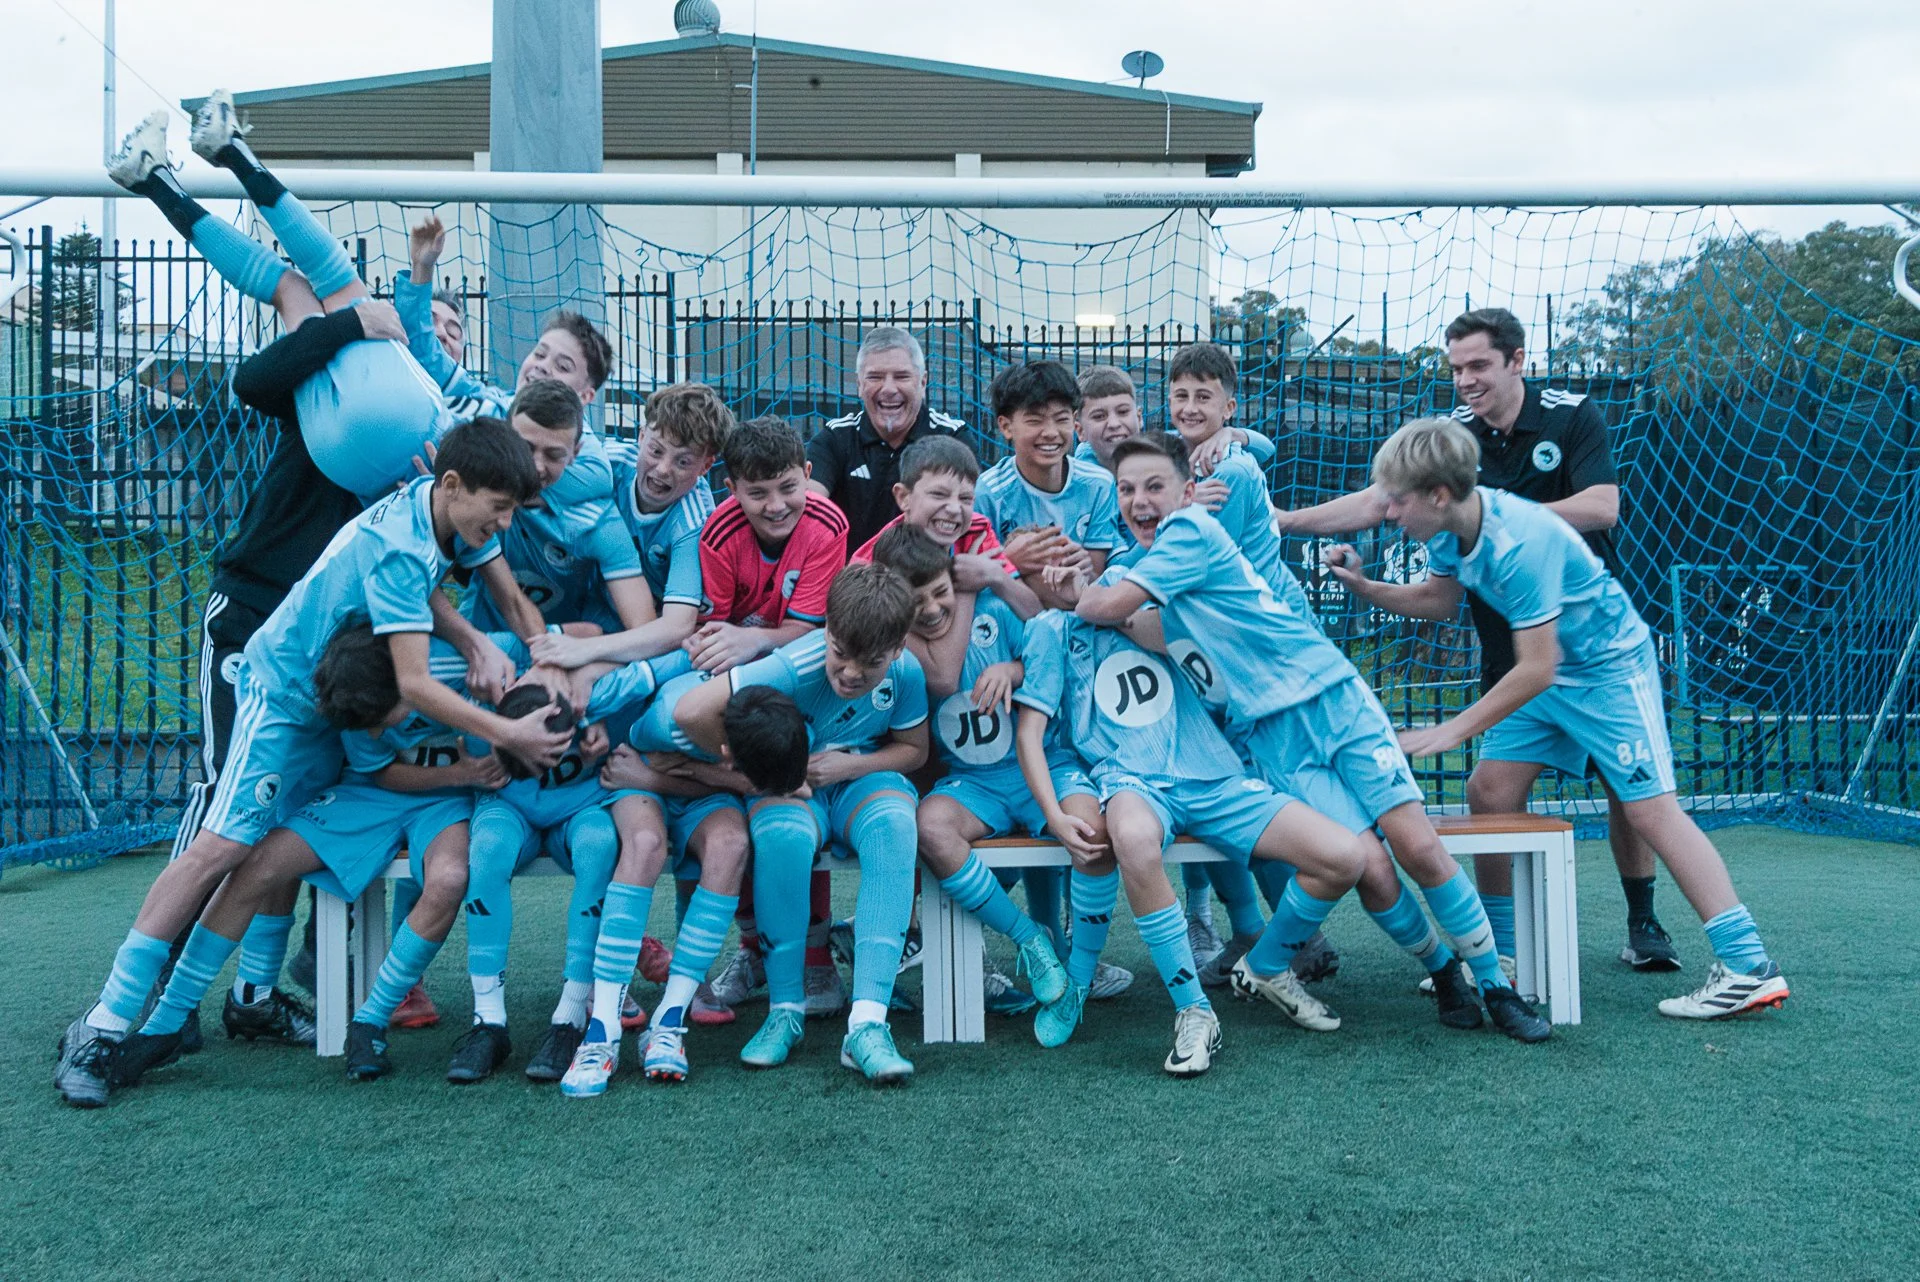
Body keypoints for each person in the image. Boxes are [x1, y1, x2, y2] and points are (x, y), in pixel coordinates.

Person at [54, 419, 574, 1107]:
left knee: (277, 847)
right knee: (222, 846)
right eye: (499, 509)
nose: (504, 525)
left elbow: (505, 596)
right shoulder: (397, 548)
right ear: (451, 486)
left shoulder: (447, 514)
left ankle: (248, 997)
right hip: (289, 699)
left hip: (349, 699)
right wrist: (511, 727)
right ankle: (106, 1021)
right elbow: (414, 684)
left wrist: (535, 658)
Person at [1074, 433, 1552, 1042]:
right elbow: (1138, 626)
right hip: (1273, 737)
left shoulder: (1188, 534)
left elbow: (1108, 605)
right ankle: (1443, 973)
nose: (1140, 501)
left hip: (1332, 700)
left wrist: (1075, 588)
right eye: (1127, 490)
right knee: (1372, 867)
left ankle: (1496, 987)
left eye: (1155, 487)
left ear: (1189, 493)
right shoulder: (1161, 575)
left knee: (1417, 846)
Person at [1324, 418, 1790, 1020]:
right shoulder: (1447, 528)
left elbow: (1537, 667)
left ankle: (1748, 966)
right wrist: (1365, 586)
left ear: (1438, 495)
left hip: (1607, 672)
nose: (1385, 511)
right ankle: (1501, 955)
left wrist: (1451, 730)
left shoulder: (1522, 541)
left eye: (1397, 499)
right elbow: (1439, 602)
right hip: (1548, 674)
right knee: (1488, 791)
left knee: (1650, 810)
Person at [1277, 308, 1673, 974]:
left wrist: (1493, 522)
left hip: (1592, 653)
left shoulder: (1572, 417)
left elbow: (1603, 506)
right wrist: (1284, 519)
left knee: (1630, 792)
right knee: (1489, 791)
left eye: (1478, 366)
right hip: (1513, 649)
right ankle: (1502, 950)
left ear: (1516, 361)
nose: (1465, 381)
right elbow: (1383, 505)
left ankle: (1645, 921)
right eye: (1456, 368)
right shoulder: (1449, 440)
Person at [1017, 566, 1367, 1076]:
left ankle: (1265, 964)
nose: (1066, 563)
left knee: (1345, 857)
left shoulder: (1150, 595)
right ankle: (1194, 1009)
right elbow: (1034, 729)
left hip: (1214, 775)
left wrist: (1099, 599)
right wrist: (1053, 812)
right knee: (1132, 838)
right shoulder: (1049, 630)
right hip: (1130, 777)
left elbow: (1181, 636)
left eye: (1076, 551)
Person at [112, 626, 496, 1088]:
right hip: (371, 792)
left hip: (446, 801)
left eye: (378, 718)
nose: (374, 730)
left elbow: (553, 642)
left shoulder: (462, 660)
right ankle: (165, 1023)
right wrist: (460, 771)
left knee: (451, 878)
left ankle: (370, 1021)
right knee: (259, 863)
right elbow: (379, 771)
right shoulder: (352, 679)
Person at [107, 101, 446, 501]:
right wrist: (421, 275)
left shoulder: (467, 391)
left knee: (335, 277)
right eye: (441, 325)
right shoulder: (452, 383)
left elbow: (419, 340)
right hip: (342, 463)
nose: (443, 334)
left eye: (453, 330)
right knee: (291, 290)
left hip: (408, 426)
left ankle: (227, 149)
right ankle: (154, 179)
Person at [670, 563, 930, 1084]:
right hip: (793, 787)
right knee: (781, 837)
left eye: (871, 662)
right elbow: (691, 711)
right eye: (841, 653)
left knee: (896, 829)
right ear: (827, 629)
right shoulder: (794, 665)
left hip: (861, 777)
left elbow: (914, 751)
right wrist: (758, 773)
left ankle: (867, 1025)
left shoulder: (906, 673)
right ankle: (783, 1010)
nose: (852, 673)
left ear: (899, 647)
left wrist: (848, 766)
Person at [553, 664, 807, 1095]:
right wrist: (607, 735)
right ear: (727, 752)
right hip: (635, 782)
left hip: (681, 785)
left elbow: (792, 787)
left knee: (731, 845)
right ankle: (602, 1031)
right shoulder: (670, 716)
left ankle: (668, 1022)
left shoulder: (768, 712)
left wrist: (671, 775)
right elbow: (620, 749)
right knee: (647, 842)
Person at [870, 527, 1070, 1014]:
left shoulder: (995, 613)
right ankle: (1029, 941)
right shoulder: (897, 649)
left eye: (940, 593)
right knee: (932, 828)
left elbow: (1056, 651)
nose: (933, 609)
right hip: (975, 783)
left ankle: (1080, 964)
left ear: (954, 581)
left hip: (1042, 767)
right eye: (916, 602)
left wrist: (1014, 671)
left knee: (1091, 825)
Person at [693, 416, 851, 1021]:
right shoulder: (717, 533)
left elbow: (812, 633)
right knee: (730, 809)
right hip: (737, 683)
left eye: (788, 487)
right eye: (756, 492)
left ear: (808, 478)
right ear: (729, 488)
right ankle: (752, 947)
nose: (776, 504)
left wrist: (747, 642)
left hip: (803, 675)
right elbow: (714, 636)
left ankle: (816, 957)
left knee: (792, 810)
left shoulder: (827, 523)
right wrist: (733, 645)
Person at [973, 362, 1121, 612]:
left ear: (1074, 422)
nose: (1051, 432)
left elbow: (1096, 574)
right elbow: (973, 577)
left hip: (1079, 609)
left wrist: (1084, 567)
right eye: (1035, 421)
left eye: (1061, 419)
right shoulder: (989, 492)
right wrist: (1009, 562)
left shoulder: (1099, 484)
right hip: (1014, 612)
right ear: (1006, 426)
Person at [808, 327, 969, 550]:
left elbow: (963, 514)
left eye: (902, 376)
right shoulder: (836, 437)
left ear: (923, 383)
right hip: (851, 580)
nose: (889, 389)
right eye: (875, 377)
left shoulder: (952, 436)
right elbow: (809, 511)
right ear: (859, 385)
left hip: (925, 578)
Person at [848, 437, 1039, 619]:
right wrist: (966, 590)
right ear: (904, 497)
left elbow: (1034, 613)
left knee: (996, 608)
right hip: (905, 650)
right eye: (939, 495)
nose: (954, 509)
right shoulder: (870, 563)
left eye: (965, 498)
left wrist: (995, 575)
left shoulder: (976, 531)